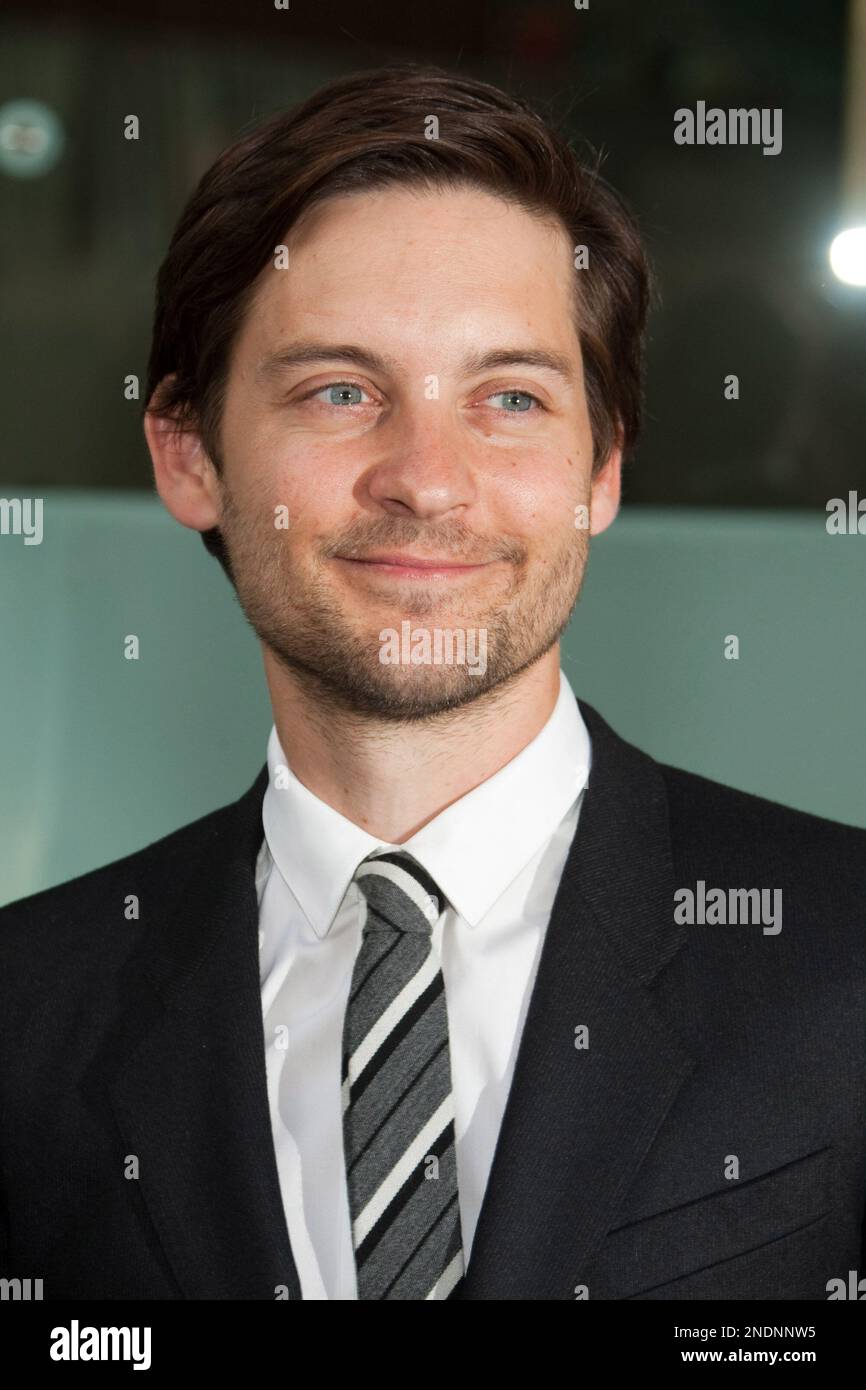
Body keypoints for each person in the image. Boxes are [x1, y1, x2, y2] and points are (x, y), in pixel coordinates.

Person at [1, 63, 864, 1302]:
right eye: (341, 391)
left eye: (508, 397)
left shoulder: (844, 956)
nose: (427, 478)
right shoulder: (27, 1012)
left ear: (601, 467)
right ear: (189, 454)